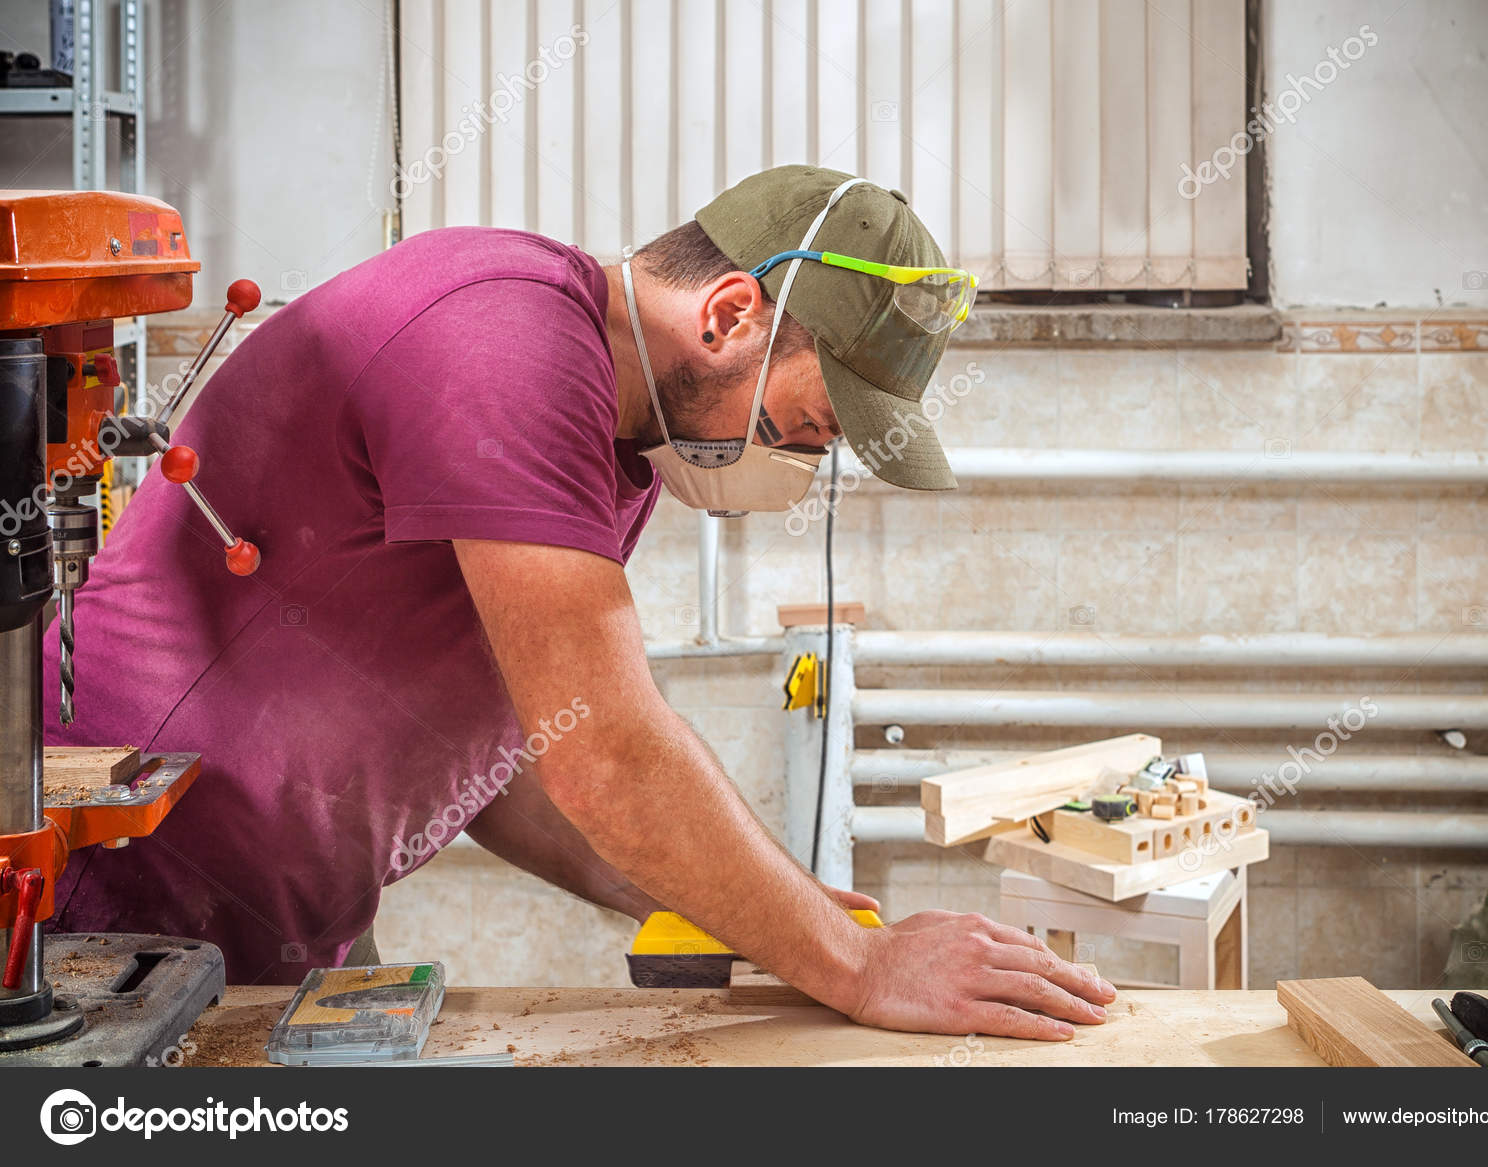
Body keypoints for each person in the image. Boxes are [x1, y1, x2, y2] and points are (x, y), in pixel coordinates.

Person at [44, 166, 1115, 1040]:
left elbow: (515, 753)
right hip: (101, 902)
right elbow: (607, 756)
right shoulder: (500, 344)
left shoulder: (619, 444)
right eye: (811, 423)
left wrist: (767, 916)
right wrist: (859, 964)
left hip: (276, 924)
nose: (801, 461)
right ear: (733, 314)